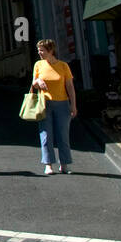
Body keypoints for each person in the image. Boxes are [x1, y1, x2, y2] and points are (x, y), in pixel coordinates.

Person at [32, 38, 77, 175]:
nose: (39, 53)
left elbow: (70, 86)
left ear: (51, 50)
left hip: (62, 104)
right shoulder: (38, 65)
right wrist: (38, 81)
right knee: (46, 135)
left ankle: (64, 165)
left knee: (63, 135)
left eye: (42, 50)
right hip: (44, 104)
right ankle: (48, 164)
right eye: (38, 50)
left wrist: (73, 105)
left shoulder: (63, 66)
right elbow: (33, 84)